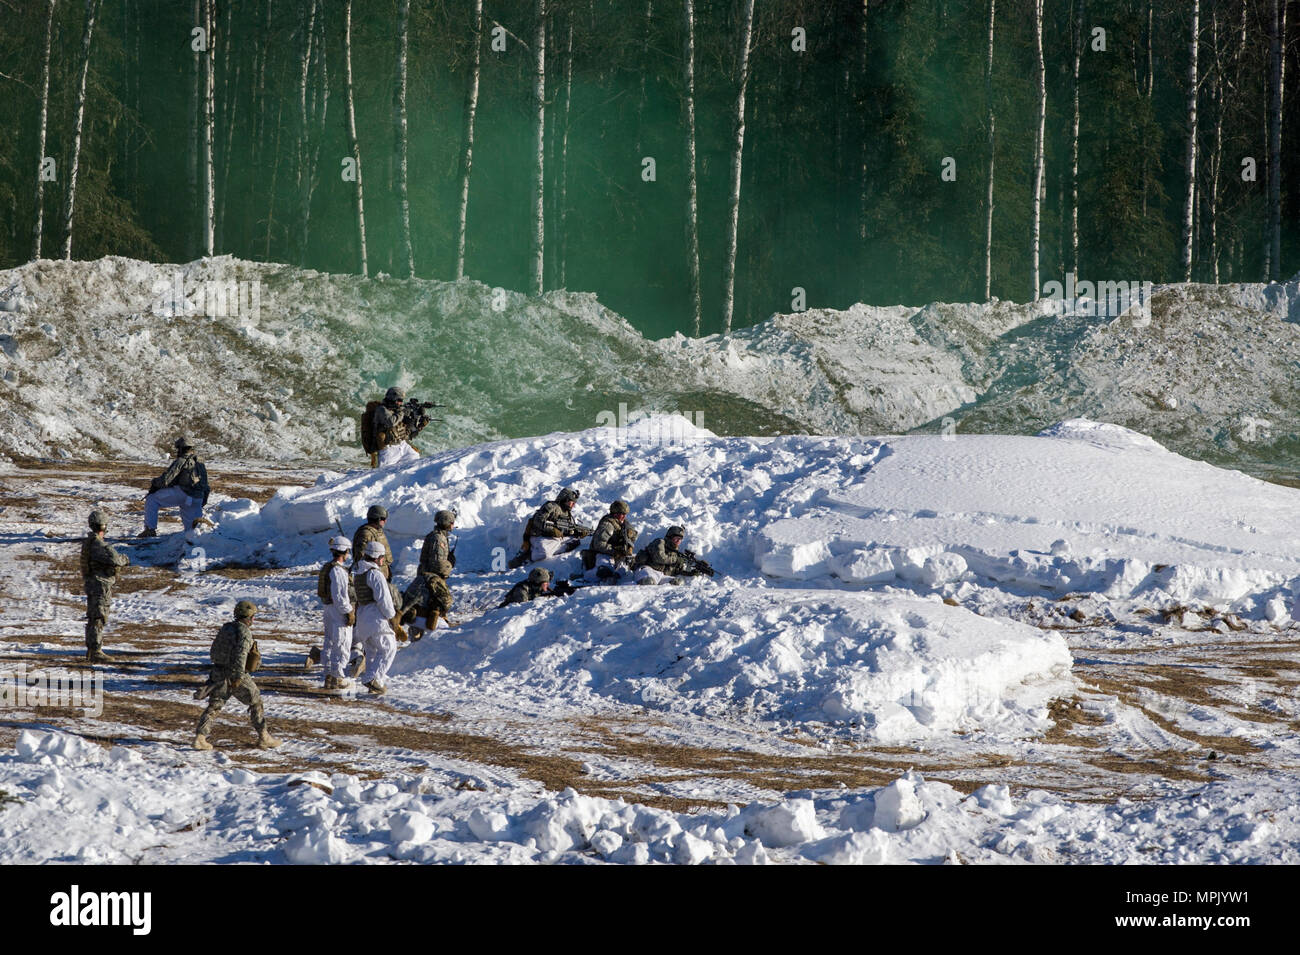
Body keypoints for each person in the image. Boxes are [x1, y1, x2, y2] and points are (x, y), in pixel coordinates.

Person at [194, 600, 281, 751]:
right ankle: (264, 737)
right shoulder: (245, 632)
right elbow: (241, 656)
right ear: (250, 617)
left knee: (215, 706)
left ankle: (200, 738)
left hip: (219, 672)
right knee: (256, 702)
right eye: (253, 616)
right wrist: (238, 677)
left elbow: (214, 651)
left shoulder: (226, 628)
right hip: (236, 674)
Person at [81, 510, 129, 663]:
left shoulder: (91, 542)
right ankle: (95, 650)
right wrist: (124, 559)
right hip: (100, 585)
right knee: (99, 617)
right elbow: (115, 559)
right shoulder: (98, 544)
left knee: (94, 617)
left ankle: (92, 649)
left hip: (94, 583)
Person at [400, 509, 455, 638]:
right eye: (451, 522)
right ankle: (419, 635)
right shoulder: (438, 538)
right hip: (431, 579)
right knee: (426, 609)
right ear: (446, 523)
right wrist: (449, 564)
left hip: (428, 578)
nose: (453, 525)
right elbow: (438, 563)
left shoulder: (437, 536)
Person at [140, 437, 210, 537]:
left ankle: (150, 530)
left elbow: (165, 480)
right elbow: (206, 485)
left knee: (152, 499)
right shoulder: (200, 463)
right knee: (193, 530)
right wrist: (204, 499)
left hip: (184, 494)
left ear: (181, 449)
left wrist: (154, 483)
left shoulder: (181, 461)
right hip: (197, 498)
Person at [354, 541, 397, 695]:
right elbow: (384, 599)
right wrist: (392, 616)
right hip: (375, 617)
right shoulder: (375, 574)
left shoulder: (359, 573)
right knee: (388, 649)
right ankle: (373, 679)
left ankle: (374, 685)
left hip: (363, 618)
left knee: (372, 653)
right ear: (378, 557)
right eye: (382, 557)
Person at [511, 487, 591, 566]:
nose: (573, 505)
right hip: (539, 536)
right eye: (571, 502)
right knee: (545, 553)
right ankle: (527, 557)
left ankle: (556, 548)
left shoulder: (567, 513)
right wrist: (552, 530)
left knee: (575, 541)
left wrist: (576, 532)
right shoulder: (551, 506)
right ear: (565, 499)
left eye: (574, 503)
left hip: (553, 539)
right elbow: (538, 521)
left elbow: (566, 529)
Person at [319, 536, 356, 692]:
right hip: (338, 609)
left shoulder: (328, 567)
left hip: (329, 608)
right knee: (342, 642)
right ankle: (338, 676)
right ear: (345, 551)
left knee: (330, 641)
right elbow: (340, 595)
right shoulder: (338, 571)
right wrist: (348, 611)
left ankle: (329, 674)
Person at [633, 525, 715, 585]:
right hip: (647, 570)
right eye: (676, 538)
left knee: (678, 582)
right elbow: (660, 558)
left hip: (661, 575)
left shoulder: (675, 554)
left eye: (680, 539)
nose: (678, 541)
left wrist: (691, 572)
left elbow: (676, 571)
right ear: (669, 537)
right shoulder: (660, 542)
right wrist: (676, 559)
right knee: (649, 582)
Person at [584, 499, 638, 582]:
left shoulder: (624, 523)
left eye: (625, 514)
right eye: (621, 514)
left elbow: (633, 535)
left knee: (625, 568)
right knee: (605, 570)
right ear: (615, 514)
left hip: (618, 555)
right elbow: (598, 544)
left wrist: (629, 546)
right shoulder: (607, 525)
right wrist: (616, 551)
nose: (624, 516)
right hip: (602, 554)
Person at [371, 387, 419, 468]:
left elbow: (408, 429)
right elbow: (391, 422)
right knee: (383, 474)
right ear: (392, 398)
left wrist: (417, 416)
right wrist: (402, 412)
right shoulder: (382, 409)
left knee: (415, 461)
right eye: (399, 400)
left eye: (401, 401)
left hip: (402, 445)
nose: (401, 403)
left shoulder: (397, 410)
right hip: (389, 448)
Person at [352, 505, 393, 580]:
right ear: (377, 519)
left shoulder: (377, 531)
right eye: (383, 519)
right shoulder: (366, 534)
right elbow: (362, 559)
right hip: (373, 577)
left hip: (381, 574)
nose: (385, 521)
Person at [498, 567, 575, 607]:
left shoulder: (535, 587)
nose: (548, 585)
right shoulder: (522, 590)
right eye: (545, 583)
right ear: (538, 583)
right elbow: (522, 608)